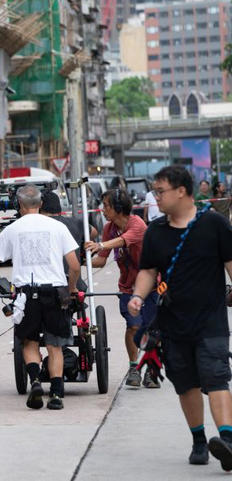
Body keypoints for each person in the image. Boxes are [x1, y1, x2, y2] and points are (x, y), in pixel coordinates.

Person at [127, 166, 232, 469]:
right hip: (172, 322)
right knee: (186, 384)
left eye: (160, 191)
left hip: (210, 321)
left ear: (182, 191)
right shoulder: (156, 232)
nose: (156, 197)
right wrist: (138, 296)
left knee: (217, 377)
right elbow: (148, 270)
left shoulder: (214, 224)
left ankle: (227, 440)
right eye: (155, 191)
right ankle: (199, 441)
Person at [0, 185, 80, 411]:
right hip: (56, 291)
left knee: (29, 342)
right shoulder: (57, 227)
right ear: (41, 204)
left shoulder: (12, 230)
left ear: (18, 204)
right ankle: (56, 394)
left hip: (26, 294)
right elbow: (74, 266)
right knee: (55, 345)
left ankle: (36, 381)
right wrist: (71, 289)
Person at [84, 189, 160, 389]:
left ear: (118, 208)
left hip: (151, 286)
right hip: (127, 287)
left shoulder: (137, 224)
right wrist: (81, 260)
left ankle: (152, 369)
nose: (102, 210)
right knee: (133, 326)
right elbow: (101, 259)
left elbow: (123, 240)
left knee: (152, 330)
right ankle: (134, 367)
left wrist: (99, 244)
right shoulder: (109, 228)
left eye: (106, 206)